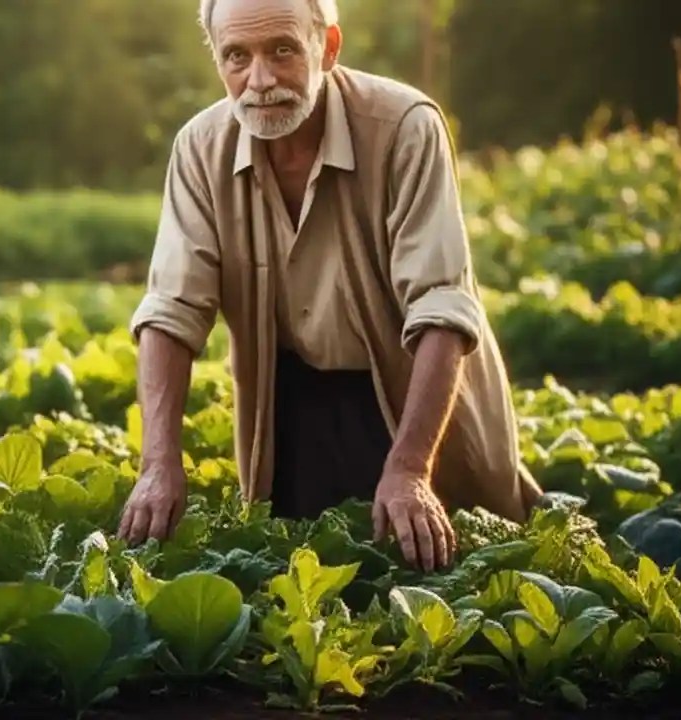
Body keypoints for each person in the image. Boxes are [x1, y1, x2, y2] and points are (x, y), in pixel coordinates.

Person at [116, 0, 543, 573]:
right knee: (309, 584)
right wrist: (158, 463)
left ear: (329, 47)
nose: (260, 80)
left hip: (412, 396)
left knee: (457, 574)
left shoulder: (405, 128)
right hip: (296, 404)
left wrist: (412, 468)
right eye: (237, 57)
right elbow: (171, 311)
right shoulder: (200, 148)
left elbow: (441, 305)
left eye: (282, 50)